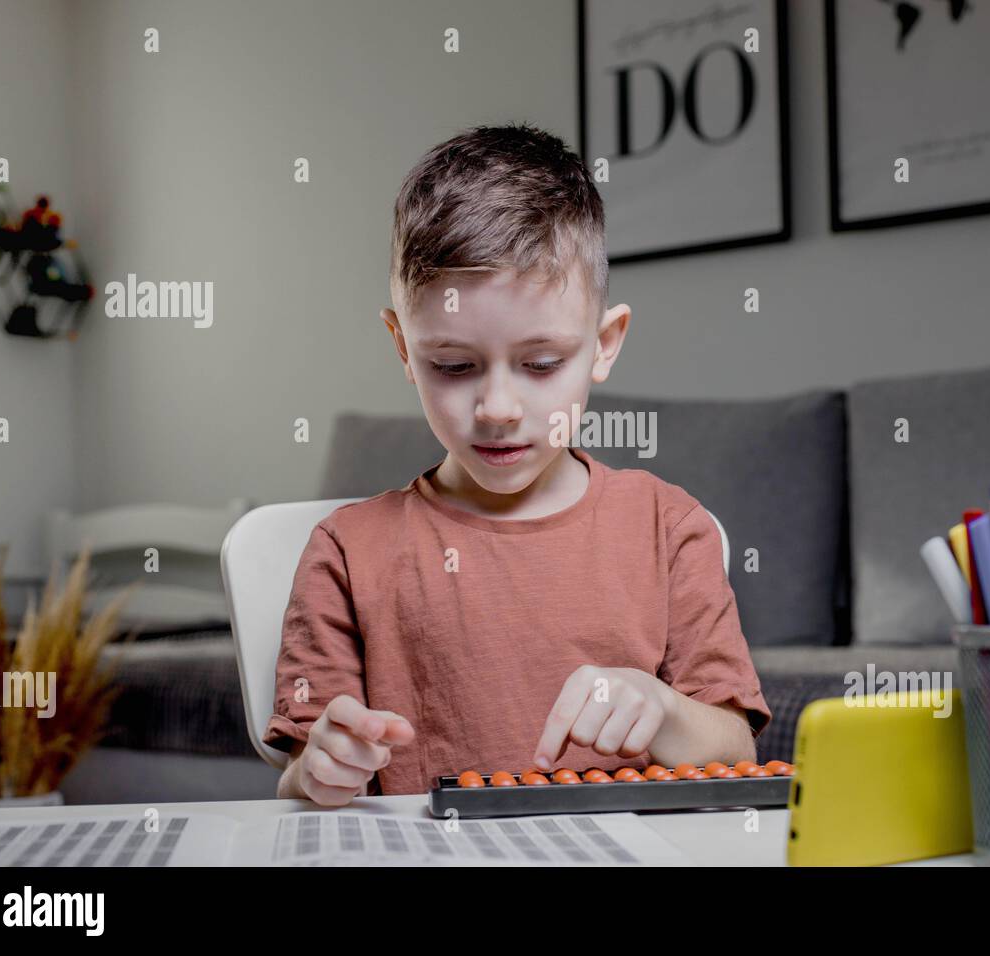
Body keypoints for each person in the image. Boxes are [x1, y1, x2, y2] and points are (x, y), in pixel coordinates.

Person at [264, 123, 770, 804]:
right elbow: (301, 782)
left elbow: (735, 745)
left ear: (604, 343)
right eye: (453, 365)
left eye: (540, 364)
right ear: (404, 348)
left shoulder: (668, 526)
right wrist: (319, 768)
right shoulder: (346, 552)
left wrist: (665, 710)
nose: (498, 407)